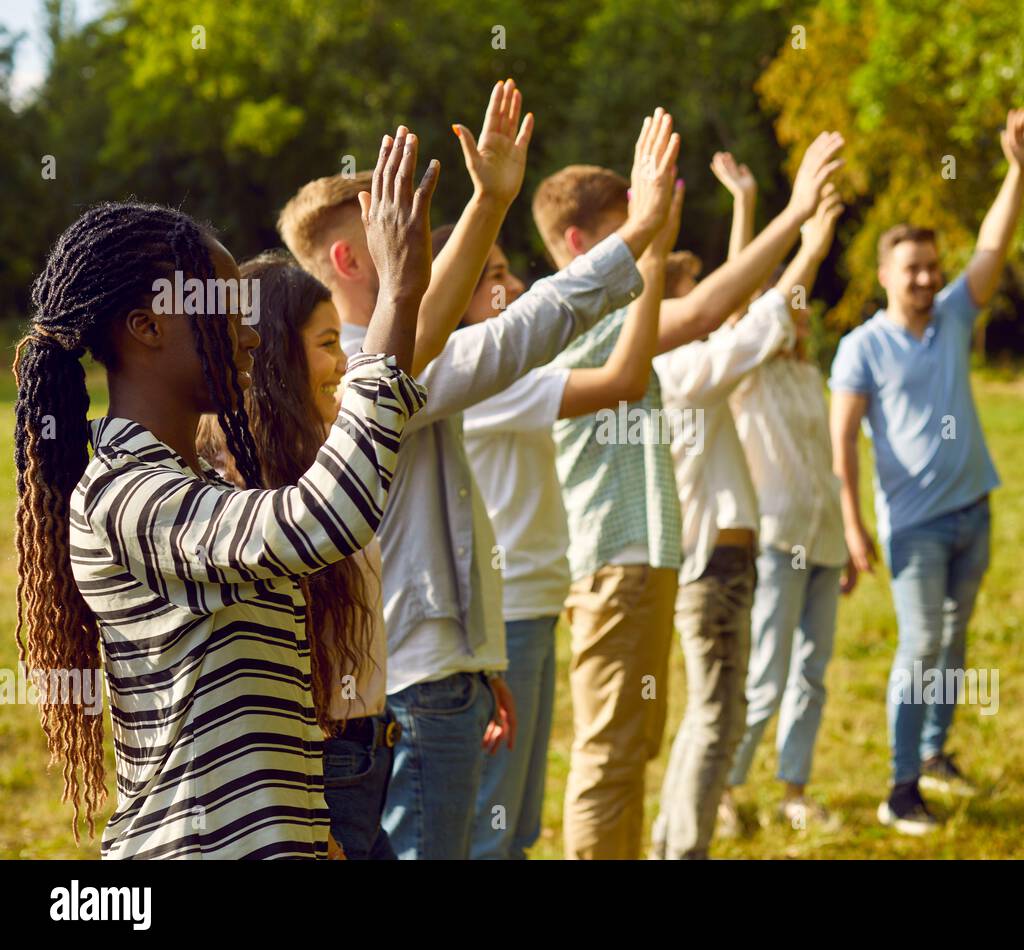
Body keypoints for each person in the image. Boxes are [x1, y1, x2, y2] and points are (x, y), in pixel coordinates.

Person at [12, 124, 436, 858]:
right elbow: (322, 519)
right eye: (222, 309)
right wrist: (398, 293)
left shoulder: (189, 484)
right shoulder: (125, 499)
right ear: (145, 327)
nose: (248, 335)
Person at [278, 87, 680, 859]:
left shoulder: (376, 361)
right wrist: (631, 235)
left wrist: (479, 654)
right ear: (350, 259)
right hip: (417, 684)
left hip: (440, 670)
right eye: (394, 217)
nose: (418, 234)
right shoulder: (361, 370)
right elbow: (528, 330)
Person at [534, 130, 845, 859]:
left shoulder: (613, 322)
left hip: (647, 564)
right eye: (625, 231)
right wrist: (799, 215)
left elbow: (719, 309)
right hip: (622, 564)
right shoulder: (586, 320)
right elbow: (716, 315)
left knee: (636, 747)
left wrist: (760, 212)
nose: (642, 244)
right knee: (620, 752)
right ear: (581, 244)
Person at [455, 130, 682, 860]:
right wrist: (650, 243)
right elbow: (624, 376)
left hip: (533, 601)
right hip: (508, 607)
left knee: (517, 823)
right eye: (492, 275)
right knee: (502, 818)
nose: (512, 283)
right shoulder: (477, 376)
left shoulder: (496, 372)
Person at [828, 108, 1024, 835]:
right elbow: (843, 441)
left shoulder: (952, 316)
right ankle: (899, 788)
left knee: (954, 641)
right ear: (884, 274)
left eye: (930, 266)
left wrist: (1018, 170)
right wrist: (853, 526)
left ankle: (936, 752)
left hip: (973, 508)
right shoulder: (860, 349)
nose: (925, 277)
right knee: (919, 646)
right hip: (912, 526)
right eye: (911, 268)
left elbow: (993, 242)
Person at [649, 183, 844, 859]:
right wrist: (810, 242)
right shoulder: (681, 369)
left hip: (717, 566)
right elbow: (757, 316)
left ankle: (672, 839)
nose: (714, 301)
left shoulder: (683, 367)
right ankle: (684, 849)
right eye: (698, 292)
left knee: (711, 719)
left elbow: (746, 313)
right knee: (717, 723)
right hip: (714, 571)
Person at [197, 252, 398, 860]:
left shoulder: (318, 460)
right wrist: (314, 816)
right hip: (324, 770)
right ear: (278, 355)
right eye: (328, 342)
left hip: (362, 757)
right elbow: (271, 674)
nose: (343, 362)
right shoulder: (249, 492)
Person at [719, 167, 849, 834]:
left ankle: (794, 788)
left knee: (812, 673)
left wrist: (851, 536)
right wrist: (753, 206)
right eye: (788, 304)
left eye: (800, 306)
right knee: (766, 672)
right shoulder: (748, 372)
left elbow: (827, 466)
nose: (797, 313)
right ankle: (728, 787)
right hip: (777, 540)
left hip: (824, 538)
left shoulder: (807, 375)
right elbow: (742, 293)